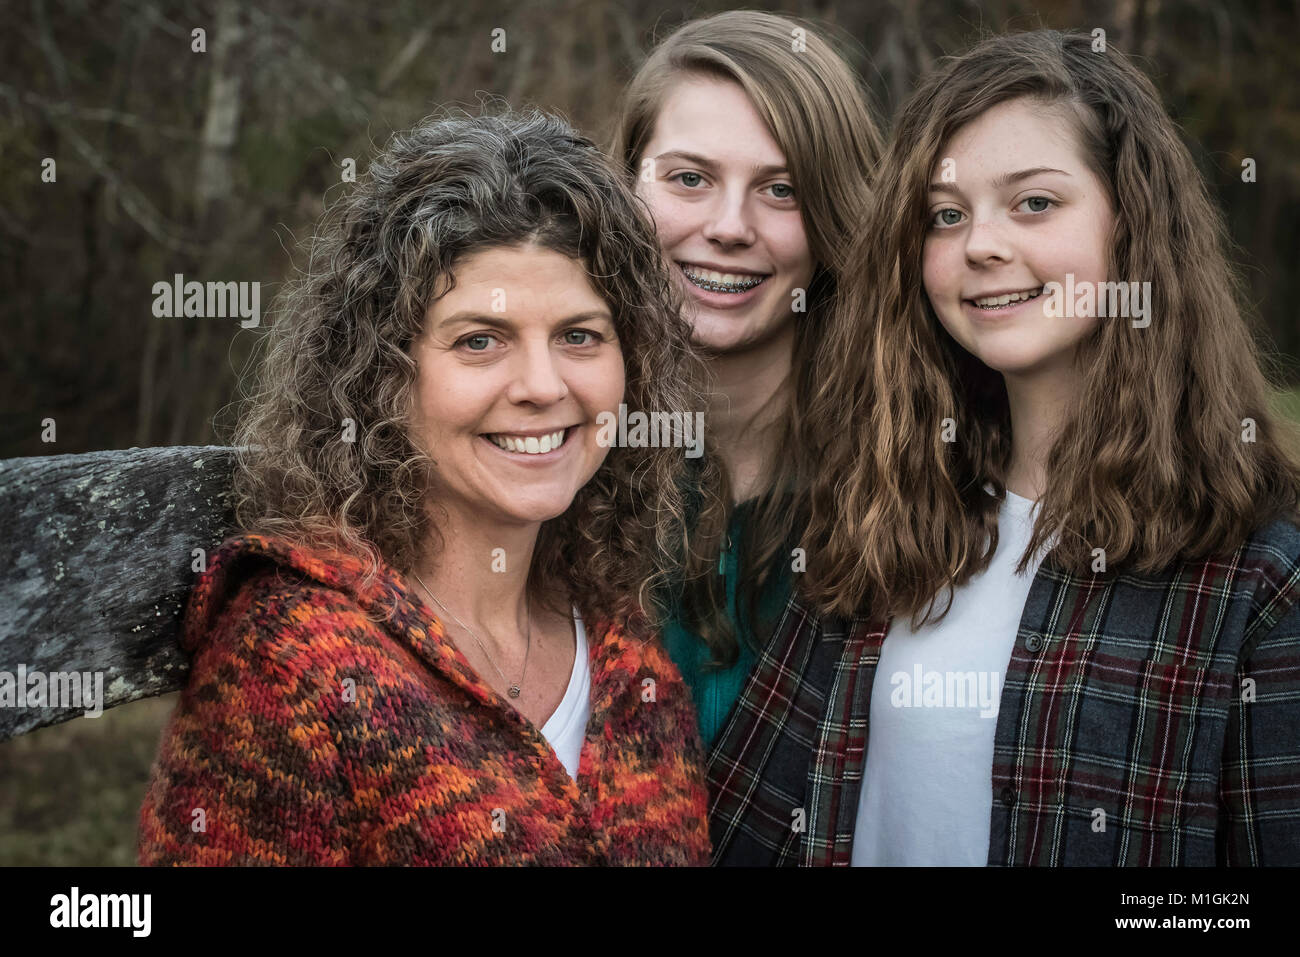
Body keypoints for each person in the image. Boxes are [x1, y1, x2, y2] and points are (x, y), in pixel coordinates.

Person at [756, 29, 1300, 865]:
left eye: (1034, 203)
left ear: (1134, 225)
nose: (980, 244)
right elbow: (748, 824)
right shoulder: (880, 514)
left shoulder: (1260, 570)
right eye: (946, 215)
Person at [137, 110, 712, 865]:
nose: (543, 386)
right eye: (480, 340)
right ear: (383, 374)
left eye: (580, 335)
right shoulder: (292, 669)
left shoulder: (628, 658)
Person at [609, 12, 882, 858]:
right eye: (689, 179)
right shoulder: (554, 467)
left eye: (782, 189)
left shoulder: (904, 482)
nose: (729, 226)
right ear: (622, 190)